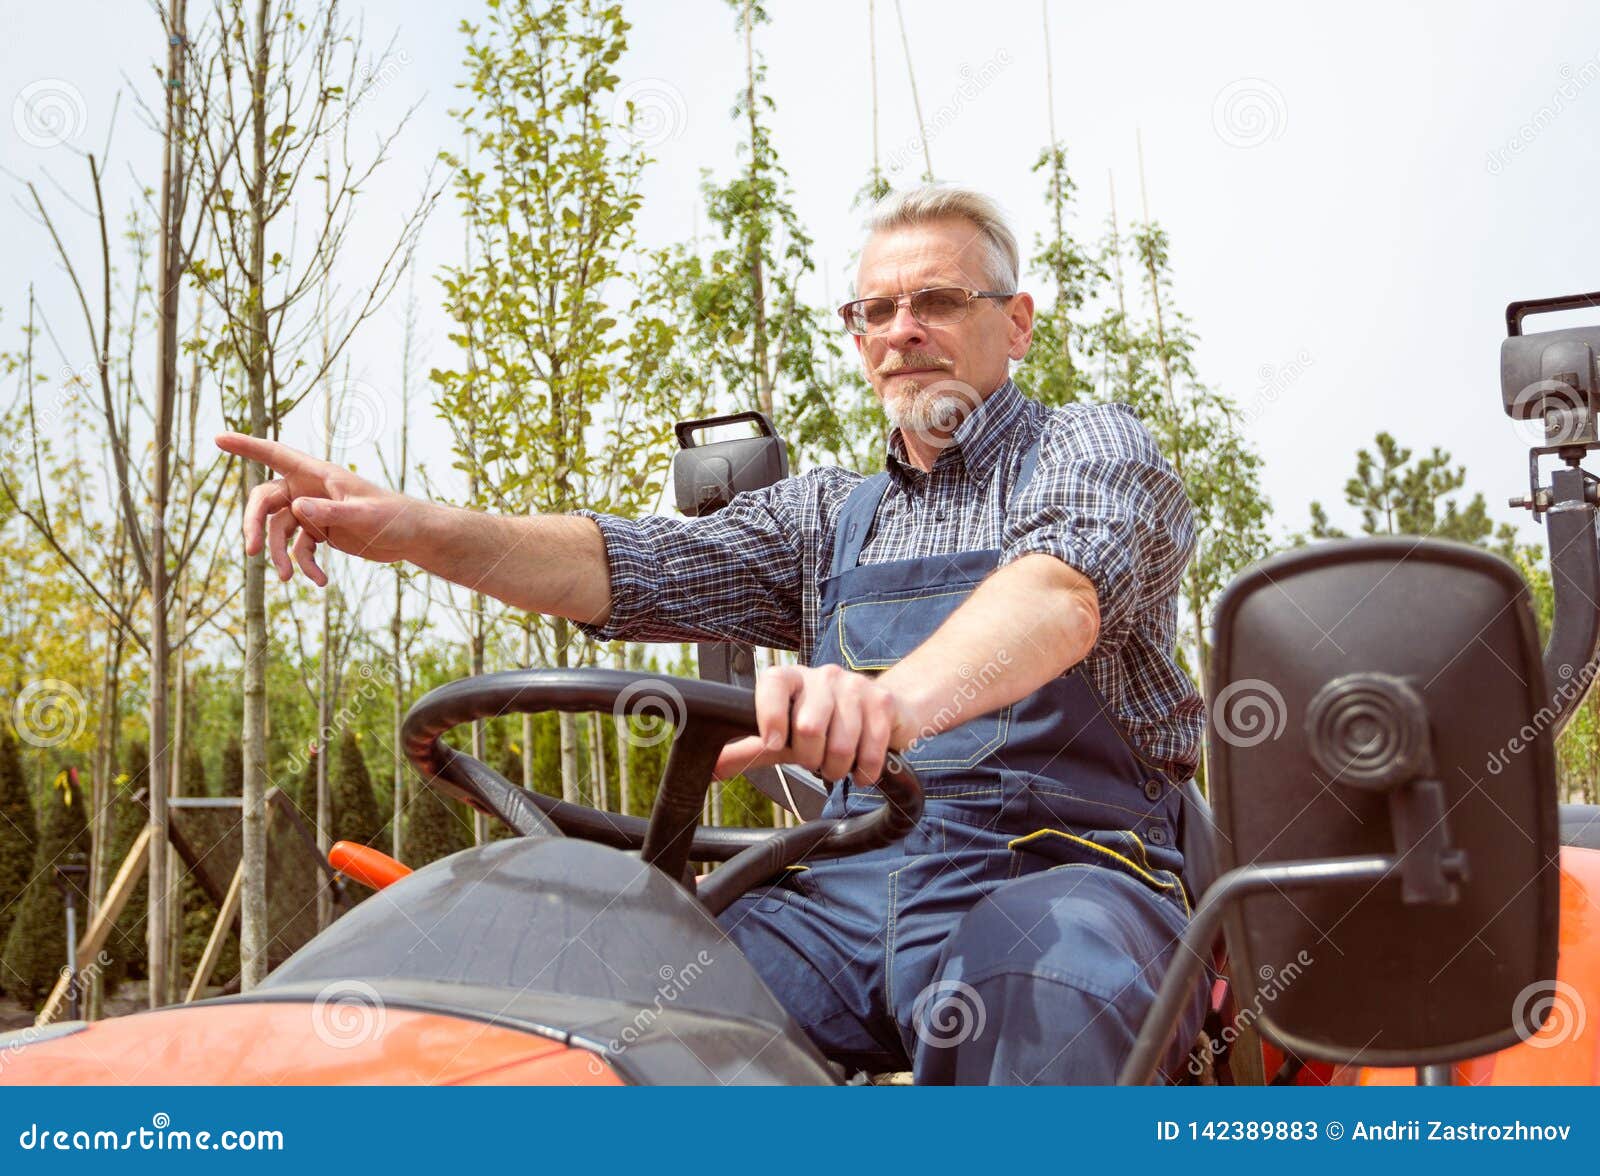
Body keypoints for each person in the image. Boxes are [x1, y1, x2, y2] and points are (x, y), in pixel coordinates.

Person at [218, 185, 1208, 1084]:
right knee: (618, 996)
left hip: (1060, 873)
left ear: (1017, 322)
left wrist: (888, 702)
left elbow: (1058, 595)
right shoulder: (825, 517)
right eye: (874, 311)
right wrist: (412, 529)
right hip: (846, 893)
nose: (902, 331)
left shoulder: (1089, 447)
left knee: (1039, 988)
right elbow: (628, 564)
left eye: (938, 302)